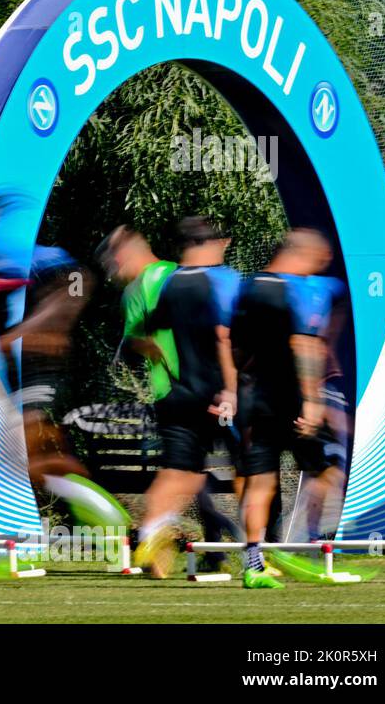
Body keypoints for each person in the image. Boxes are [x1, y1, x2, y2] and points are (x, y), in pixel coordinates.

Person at [101, 225, 239, 571]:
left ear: (123, 258)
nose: (114, 276)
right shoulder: (182, 273)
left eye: (113, 268)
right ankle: (250, 548)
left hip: (174, 392)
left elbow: (136, 339)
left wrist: (158, 353)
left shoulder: (138, 288)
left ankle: (189, 545)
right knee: (223, 469)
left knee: (190, 471)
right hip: (216, 387)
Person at [231, 229, 340, 589]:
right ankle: (308, 544)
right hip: (289, 400)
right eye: (316, 261)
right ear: (301, 255)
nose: (316, 269)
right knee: (325, 472)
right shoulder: (291, 291)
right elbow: (302, 345)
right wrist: (311, 400)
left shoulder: (248, 290)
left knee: (260, 484)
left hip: (254, 399)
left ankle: (253, 564)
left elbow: (238, 353)